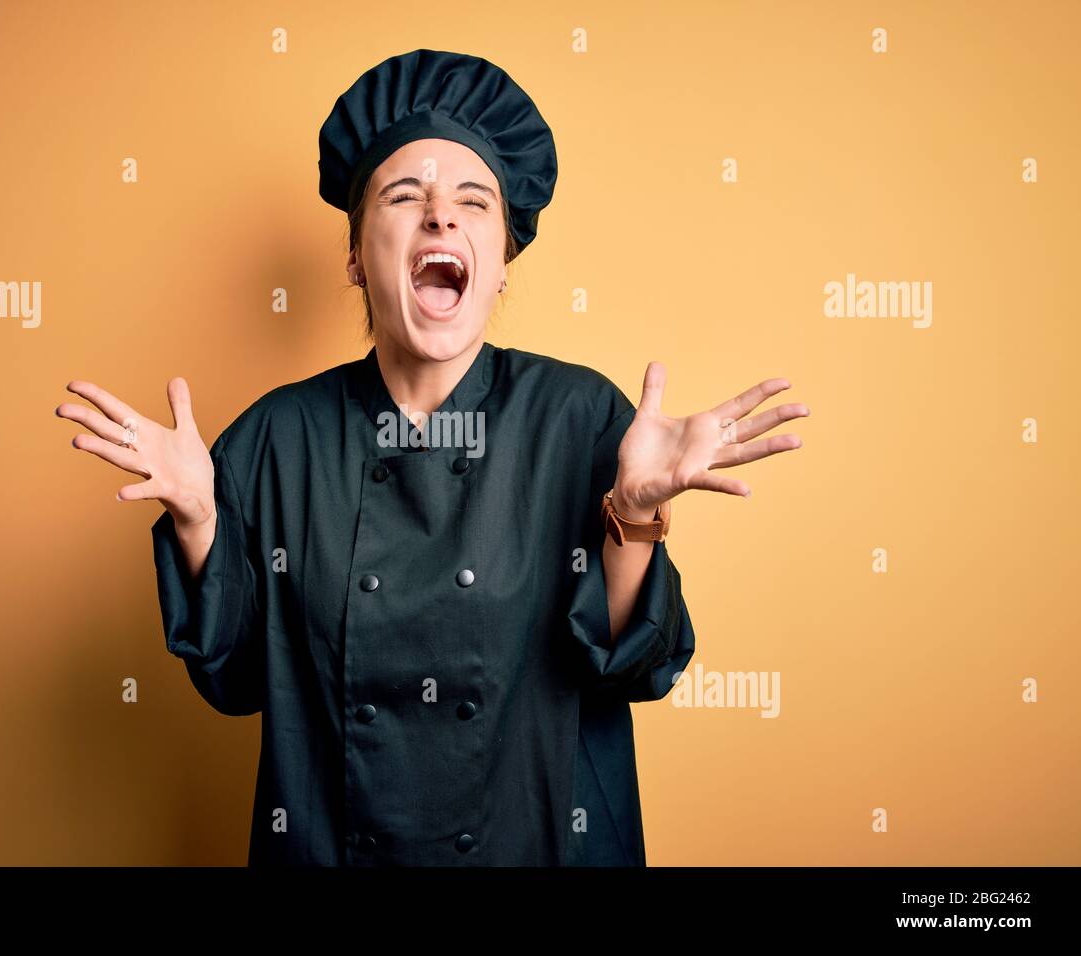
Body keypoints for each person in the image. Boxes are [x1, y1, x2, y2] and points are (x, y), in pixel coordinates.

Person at [56, 48, 808, 866]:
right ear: (354, 256)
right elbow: (236, 684)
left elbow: (637, 671)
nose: (441, 217)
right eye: (405, 195)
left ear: (501, 269)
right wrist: (200, 521)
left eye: (473, 201)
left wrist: (632, 517)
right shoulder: (279, 436)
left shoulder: (580, 417)